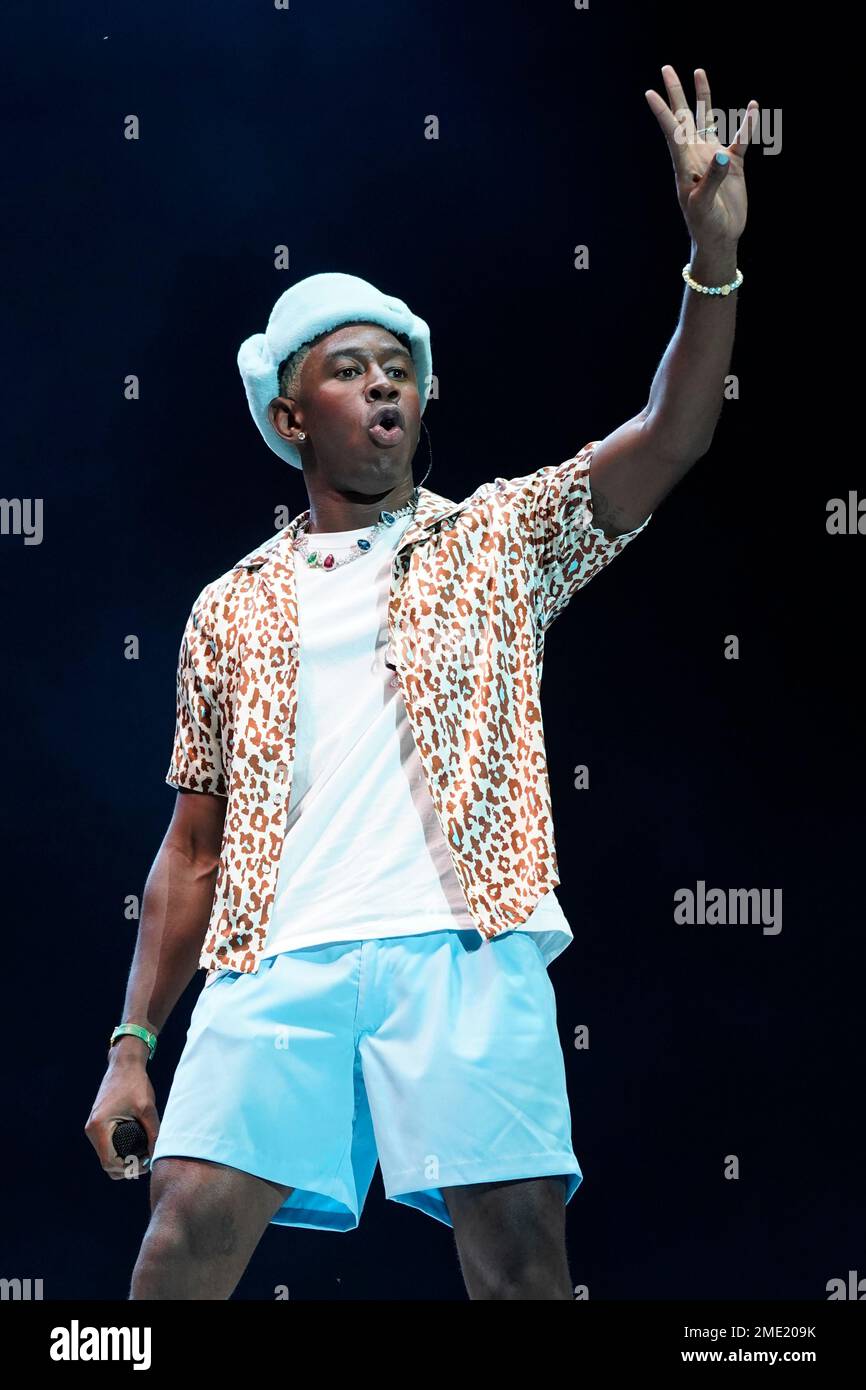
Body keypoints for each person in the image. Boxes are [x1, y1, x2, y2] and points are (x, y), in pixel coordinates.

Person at [85, 66, 755, 1299]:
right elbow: (189, 850)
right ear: (291, 416)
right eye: (350, 368)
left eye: (400, 364)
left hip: (462, 945)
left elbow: (673, 433)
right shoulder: (229, 605)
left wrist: (707, 262)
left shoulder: (494, 537)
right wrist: (133, 1045)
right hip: (273, 957)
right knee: (178, 1243)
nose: (385, 382)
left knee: (517, 1259)